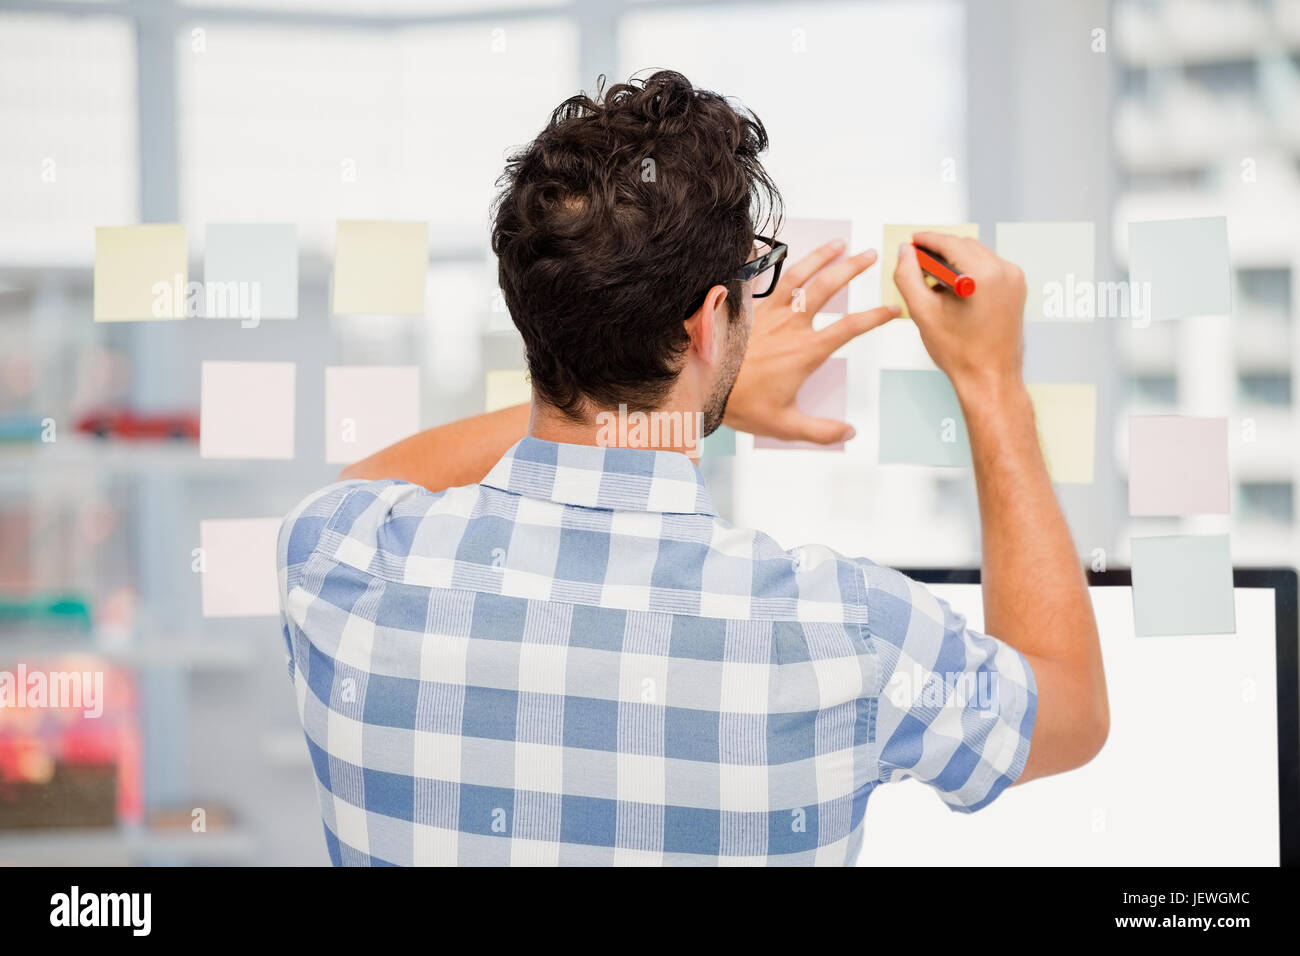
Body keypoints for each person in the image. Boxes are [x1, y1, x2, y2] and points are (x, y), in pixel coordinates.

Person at [277, 70, 1107, 866]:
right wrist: (991, 381)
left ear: (529, 308)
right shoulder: (850, 633)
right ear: (712, 321)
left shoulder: (338, 562)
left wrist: (683, 389)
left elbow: (376, 476)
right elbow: (1069, 711)